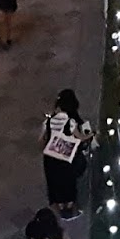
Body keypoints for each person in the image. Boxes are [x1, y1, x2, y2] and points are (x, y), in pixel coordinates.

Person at [40, 89, 95, 219]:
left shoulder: (48, 121)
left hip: (50, 159)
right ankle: (69, 207)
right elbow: (80, 137)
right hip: (65, 157)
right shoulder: (70, 121)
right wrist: (92, 134)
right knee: (67, 181)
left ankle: (59, 207)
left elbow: (41, 142)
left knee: (55, 182)